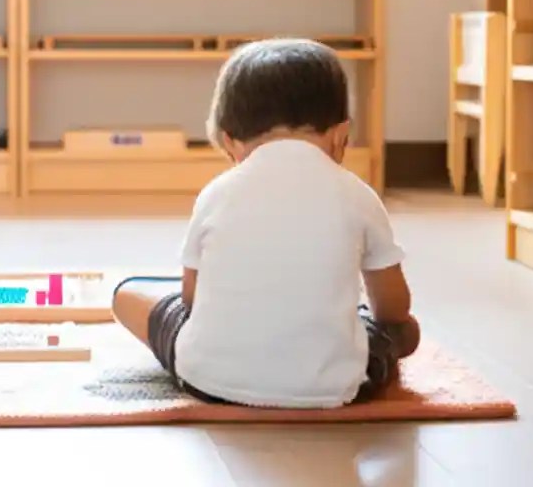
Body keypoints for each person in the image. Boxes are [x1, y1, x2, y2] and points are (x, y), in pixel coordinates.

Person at [111, 38, 420, 408]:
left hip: (207, 381)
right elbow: (393, 309)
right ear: (341, 137)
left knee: (128, 294)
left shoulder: (216, 194)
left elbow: (192, 299)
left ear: (229, 142)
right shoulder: (359, 195)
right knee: (406, 332)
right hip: (336, 387)